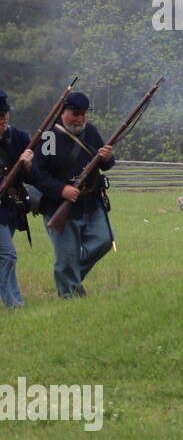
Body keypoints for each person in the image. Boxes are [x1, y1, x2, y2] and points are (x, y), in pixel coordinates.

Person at [29, 92, 115, 298]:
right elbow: (37, 174)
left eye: (83, 114)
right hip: (59, 206)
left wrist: (107, 158)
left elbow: (106, 164)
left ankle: (71, 280)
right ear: (62, 112)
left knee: (104, 241)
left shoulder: (91, 132)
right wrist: (61, 189)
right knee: (66, 258)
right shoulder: (49, 136)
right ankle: (69, 296)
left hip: (91, 202)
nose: (79, 119)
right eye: (75, 113)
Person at [0, 90, 34, 308]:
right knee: (8, 255)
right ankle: (14, 304)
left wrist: (28, 164)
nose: (3, 118)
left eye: (4, 114)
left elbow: (34, 175)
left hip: (11, 207)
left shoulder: (19, 137)